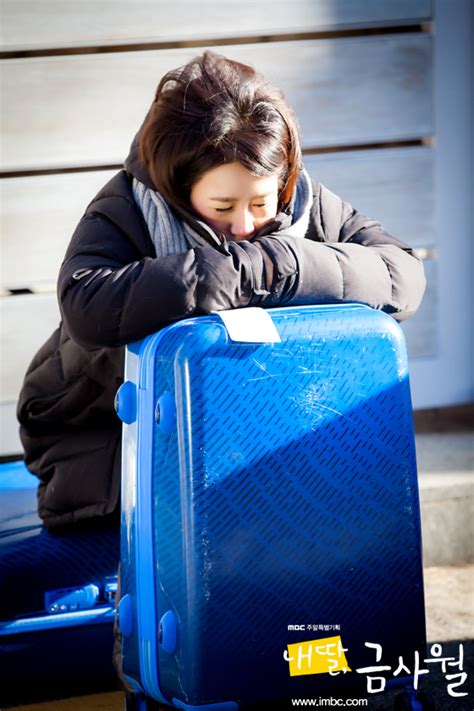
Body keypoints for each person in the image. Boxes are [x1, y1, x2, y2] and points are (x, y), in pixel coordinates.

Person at [17, 50, 425, 533]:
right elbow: (87, 304)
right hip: (104, 438)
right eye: (223, 205)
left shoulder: (305, 201)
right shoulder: (128, 206)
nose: (245, 225)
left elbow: (403, 276)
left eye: (261, 202)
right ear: (178, 185)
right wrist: (236, 272)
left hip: (250, 430)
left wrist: (281, 265)